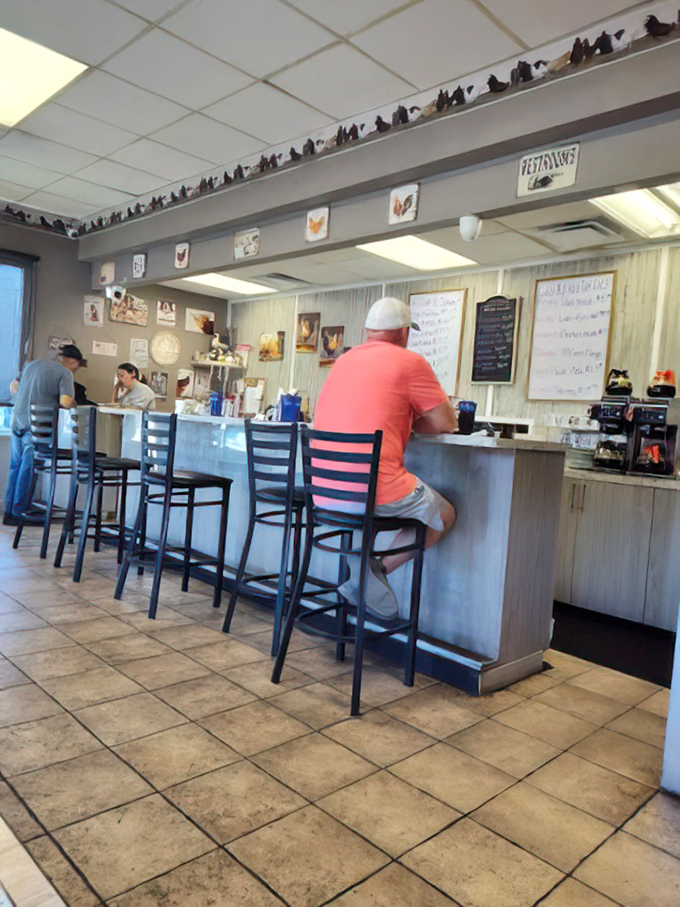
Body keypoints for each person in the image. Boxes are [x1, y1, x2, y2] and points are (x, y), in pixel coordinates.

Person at [313, 296, 458, 619]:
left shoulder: (343, 360)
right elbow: (445, 422)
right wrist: (407, 421)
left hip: (323, 494)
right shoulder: (410, 362)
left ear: (368, 332)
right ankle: (373, 570)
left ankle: (365, 572)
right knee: (444, 515)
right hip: (370, 492)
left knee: (410, 504)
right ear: (404, 332)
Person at [3, 356, 75, 525]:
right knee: (28, 468)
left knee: (15, 466)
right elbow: (65, 402)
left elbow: (13, 386)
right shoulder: (65, 373)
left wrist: (25, 396)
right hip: (36, 427)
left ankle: (9, 511)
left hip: (17, 420)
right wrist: (75, 404)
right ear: (72, 361)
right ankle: (20, 512)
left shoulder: (31, 365)